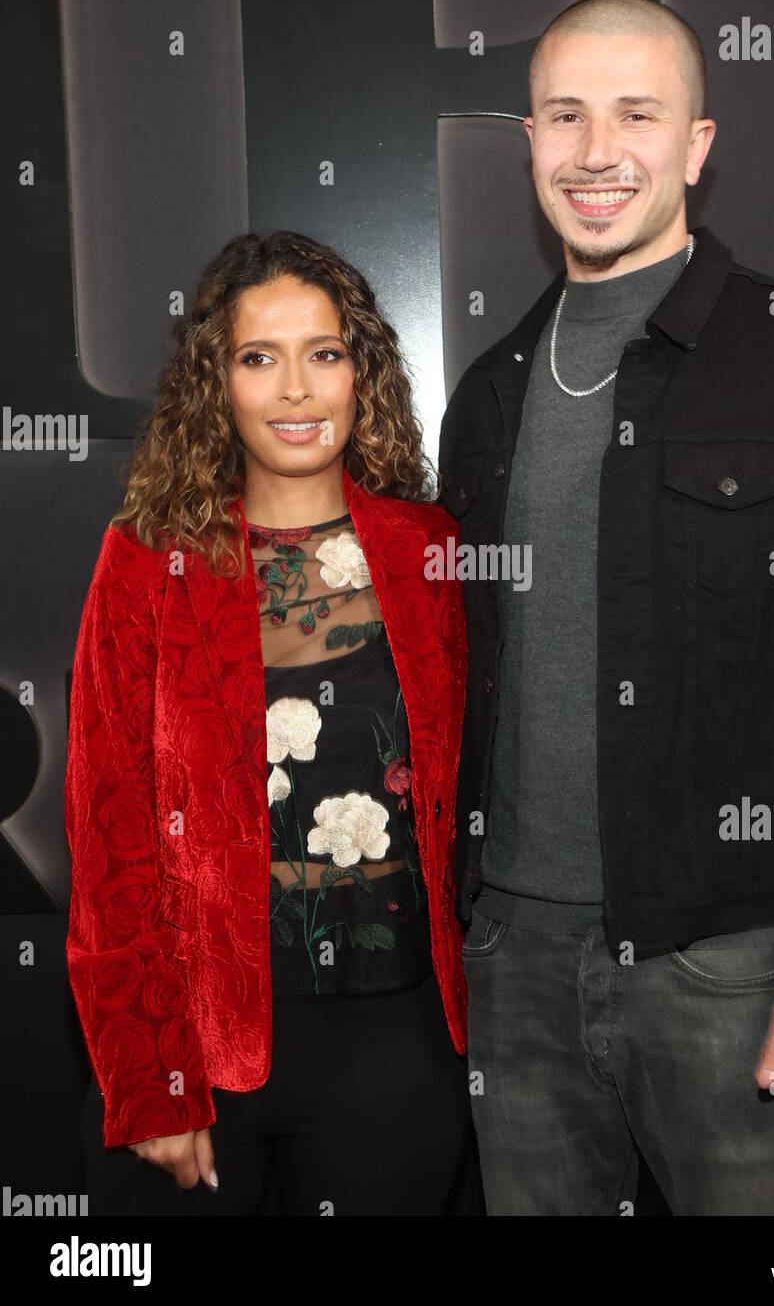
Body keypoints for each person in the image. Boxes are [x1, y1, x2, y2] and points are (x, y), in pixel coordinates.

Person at [437, 0, 774, 1216]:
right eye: (563, 116)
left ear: (695, 146)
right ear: (530, 145)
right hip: (512, 970)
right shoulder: (488, 393)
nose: (596, 151)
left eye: (635, 114)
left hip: (732, 970)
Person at [65, 230, 478, 1215]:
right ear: (219, 384)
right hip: (201, 1046)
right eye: (260, 357)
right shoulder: (146, 562)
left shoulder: (430, 554)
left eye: (323, 353)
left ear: (359, 373)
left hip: (398, 1041)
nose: (296, 389)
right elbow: (109, 831)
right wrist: (153, 1073)